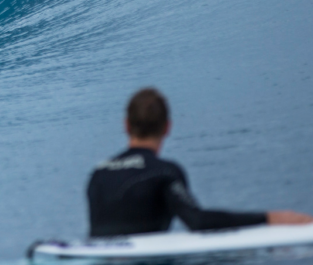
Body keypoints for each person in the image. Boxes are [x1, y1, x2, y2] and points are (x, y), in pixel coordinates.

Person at [87, 87, 312, 237]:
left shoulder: (98, 173)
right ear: (167, 127)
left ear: (126, 125)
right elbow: (197, 221)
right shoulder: (164, 172)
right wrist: (269, 218)